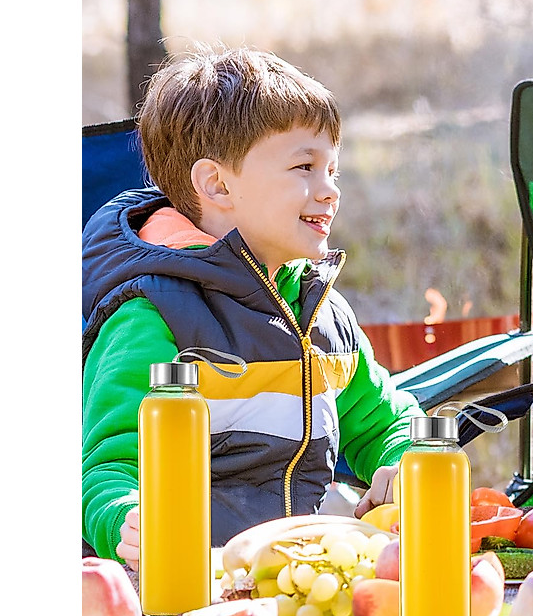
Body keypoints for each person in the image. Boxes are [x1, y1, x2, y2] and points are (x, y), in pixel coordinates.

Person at [82, 46, 420, 568]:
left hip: (303, 577)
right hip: (189, 583)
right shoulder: (151, 315)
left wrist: (402, 465)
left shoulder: (322, 314)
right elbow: (109, 467)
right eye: (304, 166)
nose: (329, 191)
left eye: (333, 169)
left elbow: (384, 420)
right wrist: (126, 519)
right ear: (217, 184)